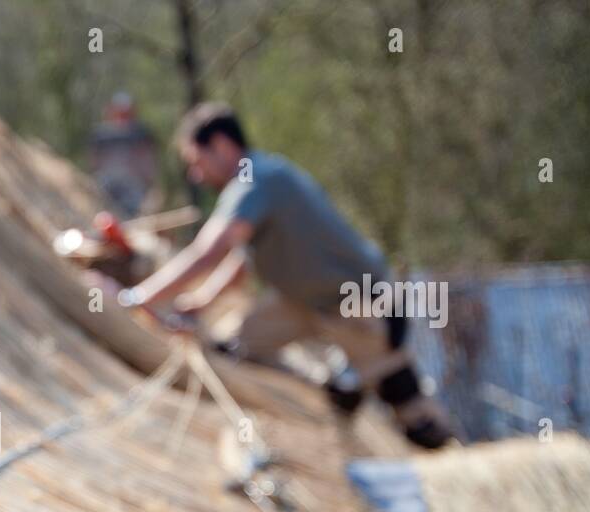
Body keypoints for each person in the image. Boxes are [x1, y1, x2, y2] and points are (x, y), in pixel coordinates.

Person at [120, 102, 452, 449]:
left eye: (196, 161)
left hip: (361, 305)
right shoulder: (260, 180)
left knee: (415, 419)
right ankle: (328, 393)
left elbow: (211, 249)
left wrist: (137, 298)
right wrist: (203, 301)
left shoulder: (257, 178)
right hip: (301, 303)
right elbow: (239, 261)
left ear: (220, 145)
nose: (196, 175)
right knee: (234, 349)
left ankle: (363, 397)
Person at [89, 92, 160, 219]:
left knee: (132, 215)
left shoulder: (140, 133)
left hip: (133, 186)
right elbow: (95, 160)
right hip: (108, 184)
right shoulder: (102, 135)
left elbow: (147, 159)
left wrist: (148, 180)